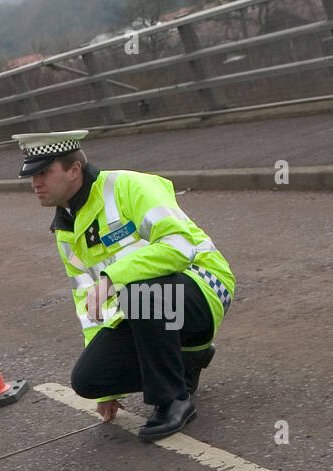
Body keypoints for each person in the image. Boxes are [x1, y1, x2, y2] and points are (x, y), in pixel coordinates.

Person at [14, 130, 234, 440]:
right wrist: (106, 383)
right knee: (88, 381)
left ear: (74, 170)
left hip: (204, 285)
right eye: (32, 175)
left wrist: (112, 278)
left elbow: (180, 246)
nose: (35, 183)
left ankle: (173, 400)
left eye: (44, 172)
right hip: (149, 307)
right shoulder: (66, 229)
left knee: (137, 291)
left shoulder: (128, 186)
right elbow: (85, 299)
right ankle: (186, 360)